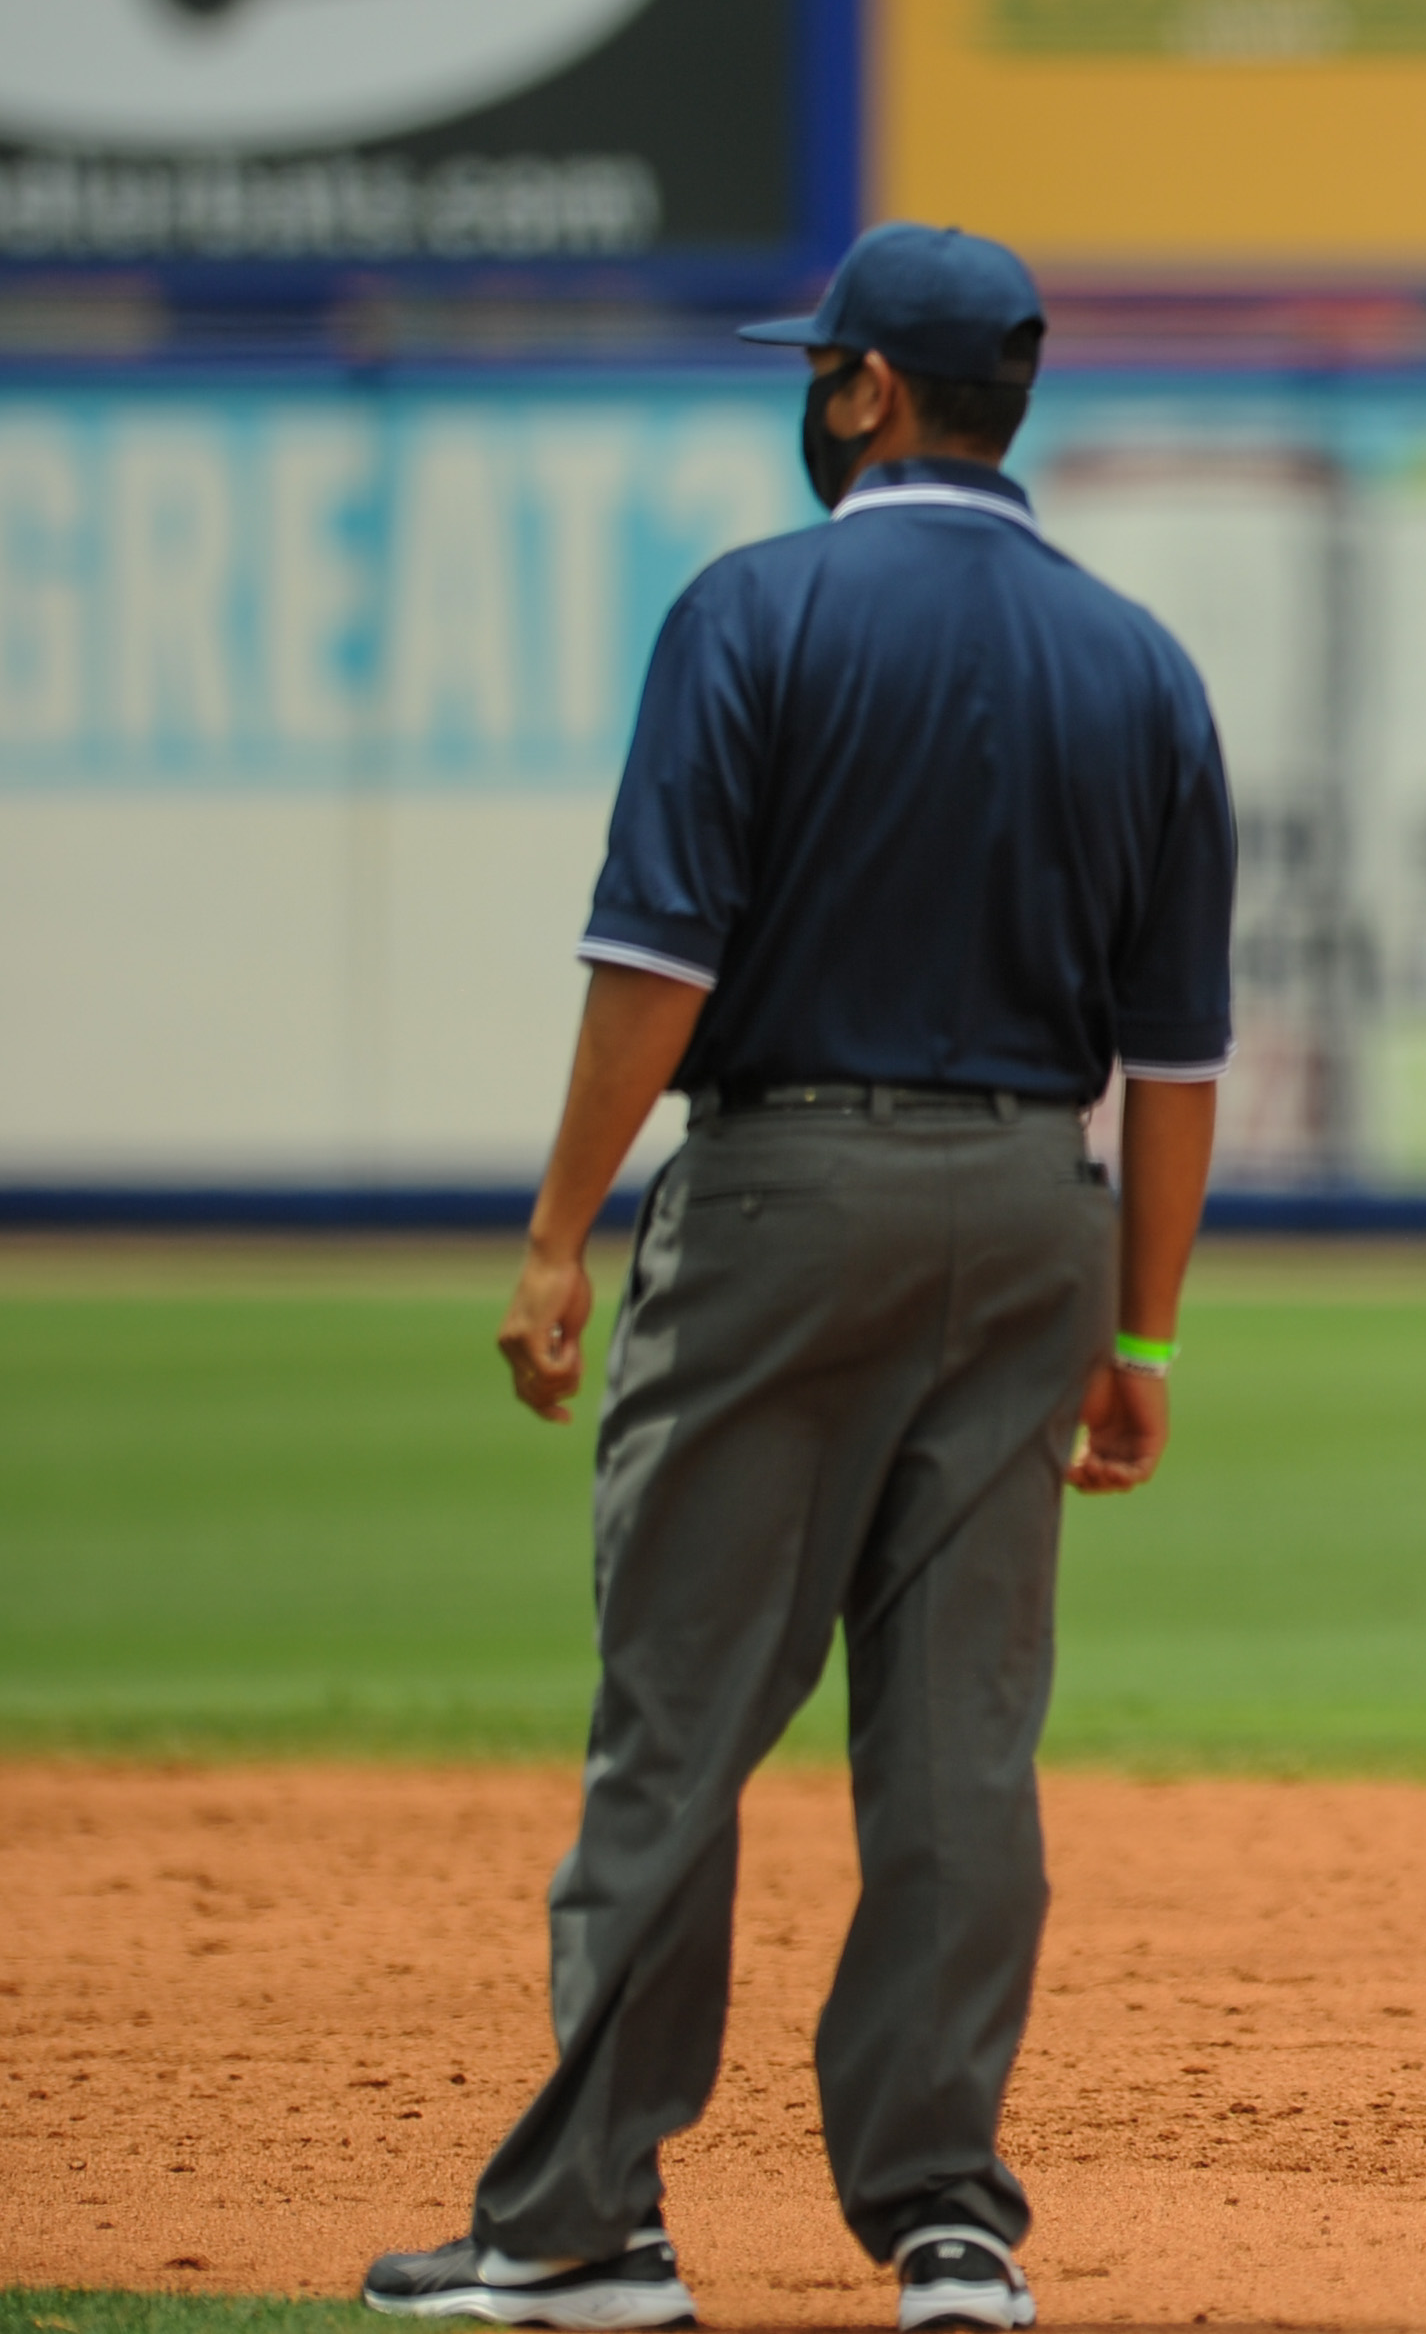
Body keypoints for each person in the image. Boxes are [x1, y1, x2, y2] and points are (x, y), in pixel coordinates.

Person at [361, 224, 1237, 2329]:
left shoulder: (756, 606)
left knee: (685, 1708)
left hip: (784, 1194)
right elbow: (1180, 1054)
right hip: (1038, 1208)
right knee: (958, 1737)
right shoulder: (1138, 658)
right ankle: (948, 2226)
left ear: (863, 389)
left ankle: (583, 2228)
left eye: (822, 360)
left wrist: (563, 1222)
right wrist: (1139, 1327)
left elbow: (658, 961)